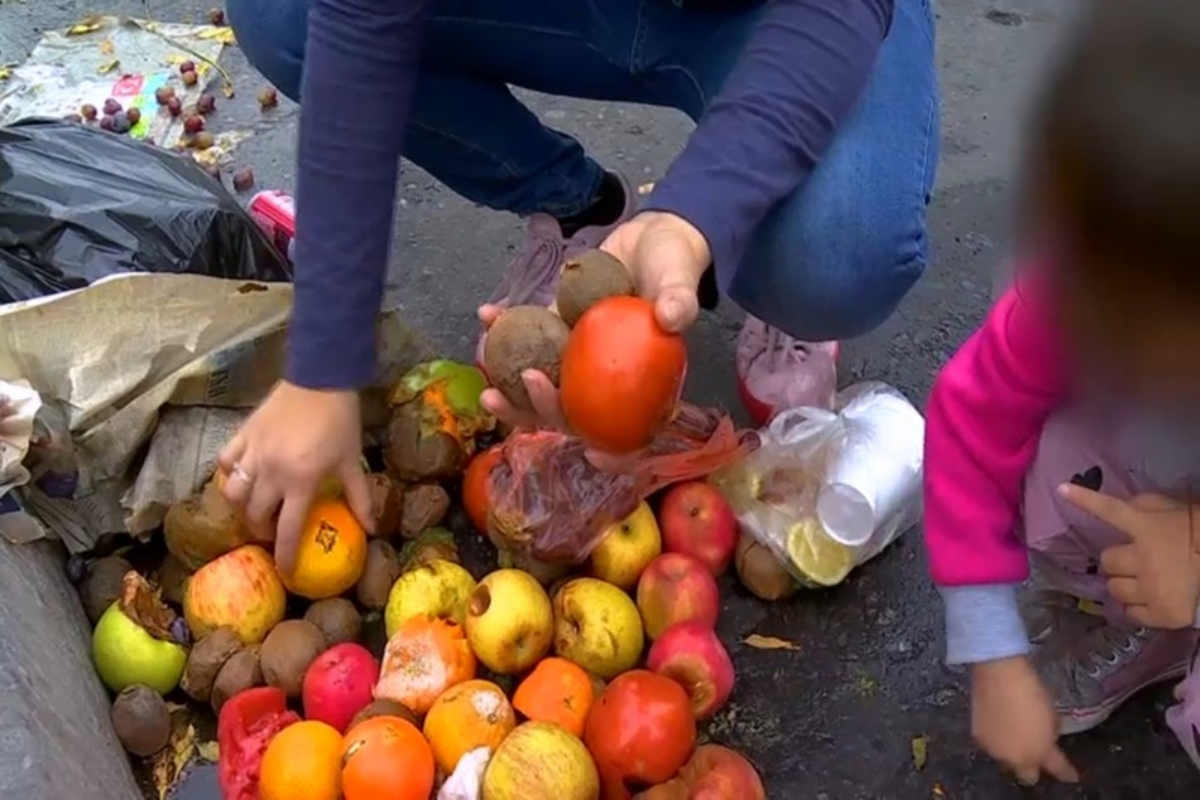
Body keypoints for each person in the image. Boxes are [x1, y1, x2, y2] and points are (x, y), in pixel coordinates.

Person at [219, 0, 939, 569]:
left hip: (790, 18)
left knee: (836, 252)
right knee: (287, 14)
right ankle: (580, 206)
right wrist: (323, 361)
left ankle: (757, 242)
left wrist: (700, 216)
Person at [924, 0, 1200, 785]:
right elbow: (971, 428)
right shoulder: (1078, 290)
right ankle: (1135, 617)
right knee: (1052, 456)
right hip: (1144, 489)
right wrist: (991, 648)